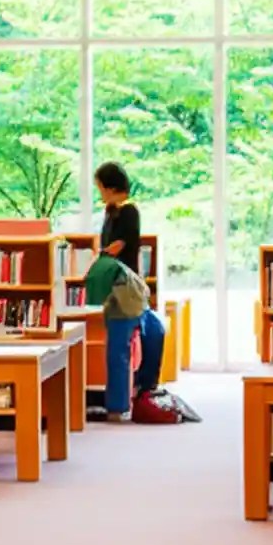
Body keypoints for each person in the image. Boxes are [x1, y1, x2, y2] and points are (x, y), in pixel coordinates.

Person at [90, 162, 175, 424]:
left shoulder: (128, 212)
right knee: (126, 343)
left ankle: (119, 404)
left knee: (119, 347)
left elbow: (116, 247)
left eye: (100, 187)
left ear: (109, 186)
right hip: (121, 287)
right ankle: (129, 396)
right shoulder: (113, 212)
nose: (100, 192)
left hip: (124, 287)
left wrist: (98, 259)